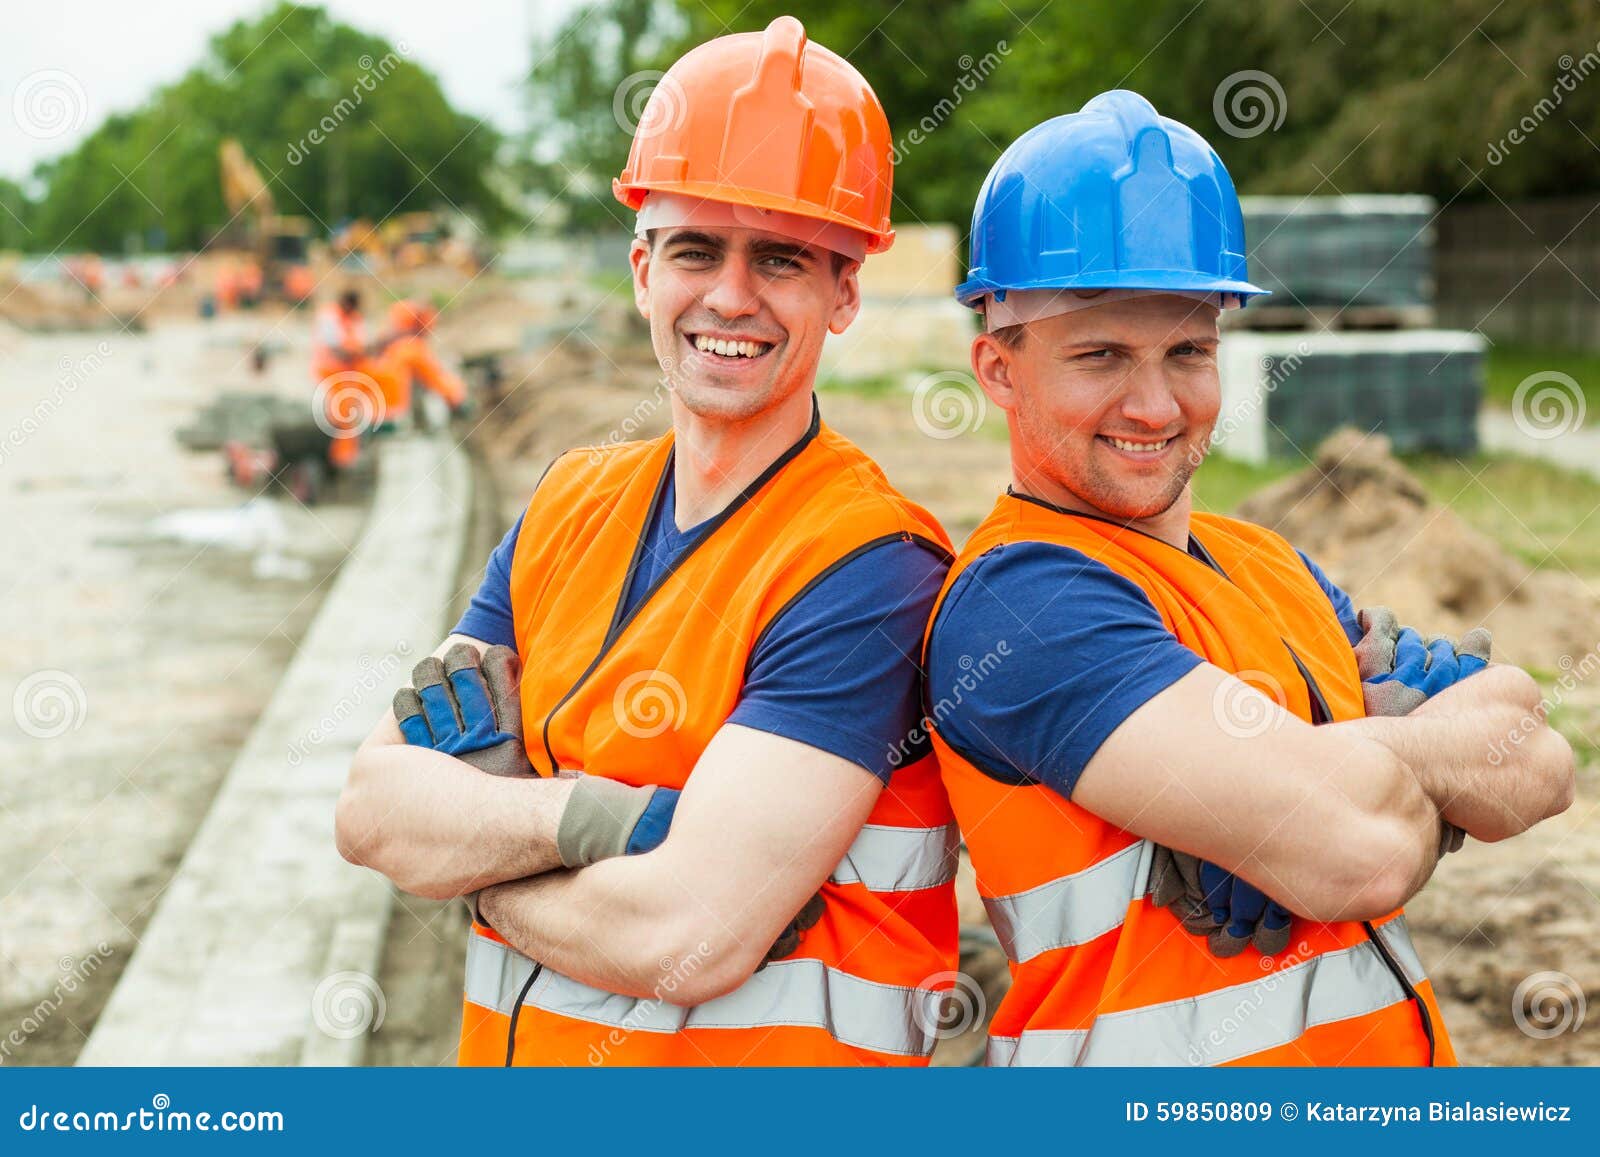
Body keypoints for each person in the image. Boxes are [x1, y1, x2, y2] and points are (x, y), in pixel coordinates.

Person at [335, 16, 960, 1066]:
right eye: (696, 248)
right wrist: (589, 820)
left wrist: (470, 855)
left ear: (844, 290)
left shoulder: (866, 562)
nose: (729, 295)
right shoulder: (567, 506)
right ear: (641, 268)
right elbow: (370, 809)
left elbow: (686, 931)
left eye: (781, 258)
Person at [923, 90, 1575, 1066]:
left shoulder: (1269, 563)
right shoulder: (1023, 603)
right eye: (1100, 354)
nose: (1152, 402)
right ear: (998, 367)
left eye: (1187, 351)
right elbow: (1355, 849)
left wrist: (1349, 761)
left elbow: (1541, 755)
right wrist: (1403, 764)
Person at [310, 287, 390, 469]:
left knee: (384, 379)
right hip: (330, 371)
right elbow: (337, 351)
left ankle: (385, 421)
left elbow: (361, 345)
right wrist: (359, 352)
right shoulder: (329, 317)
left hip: (352, 370)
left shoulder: (354, 319)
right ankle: (342, 458)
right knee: (346, 409)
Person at [379, 299, 467, 424]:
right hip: (393, 417)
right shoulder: (411, 348)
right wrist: (458, 398)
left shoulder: (389, 349)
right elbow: (437, 380)